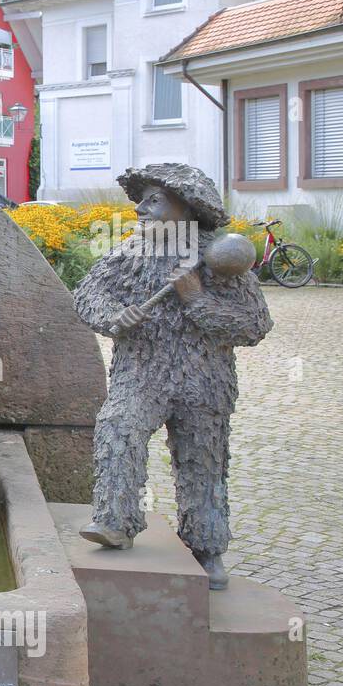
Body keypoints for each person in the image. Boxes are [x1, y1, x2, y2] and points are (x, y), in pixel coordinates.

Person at [72, 163, 272, 590]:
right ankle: (116, 521)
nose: (141, 208)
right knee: (117, 428)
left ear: (187, 207)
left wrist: (197, 300)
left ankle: (207, 546)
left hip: (204, 381)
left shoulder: (220, 257)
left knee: (204, 461)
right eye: (142, 198)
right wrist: (114, 316)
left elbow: (253, 325)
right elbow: (89, 294)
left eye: (154, 199)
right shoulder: (130, 252)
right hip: (141, 372)